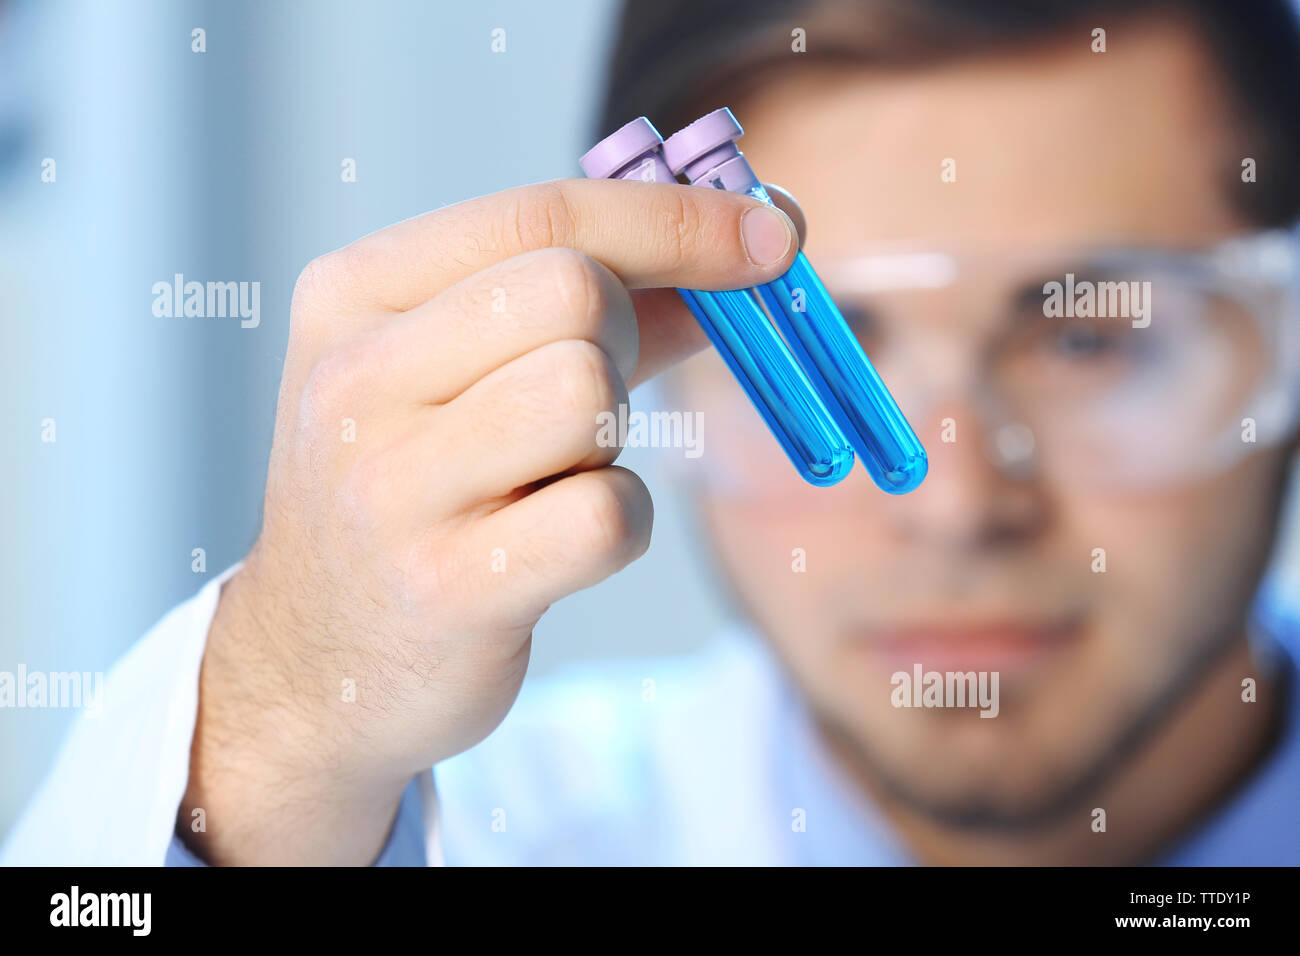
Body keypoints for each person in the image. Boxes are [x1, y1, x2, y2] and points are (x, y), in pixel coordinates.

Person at [4, 0, 1299, 866]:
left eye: (1092, 338)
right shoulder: (508, 830)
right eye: (819, 337)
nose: (950, 501)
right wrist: (276, 728)